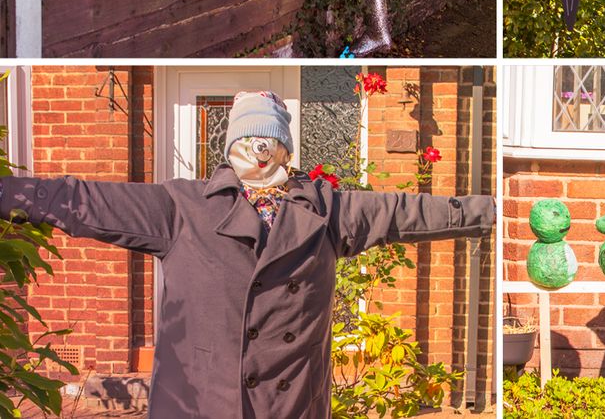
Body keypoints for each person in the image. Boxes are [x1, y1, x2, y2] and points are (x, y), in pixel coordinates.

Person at [0, 90, 495, 419]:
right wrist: (10, 194)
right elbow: (82, 200)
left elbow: (409, 213)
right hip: (198, 406)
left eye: (269, 141)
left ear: (284, 147)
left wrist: (488, 212)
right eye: (248, 138)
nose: (259, 151)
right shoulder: (182, 208)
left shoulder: (328, 210)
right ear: (230, 143)